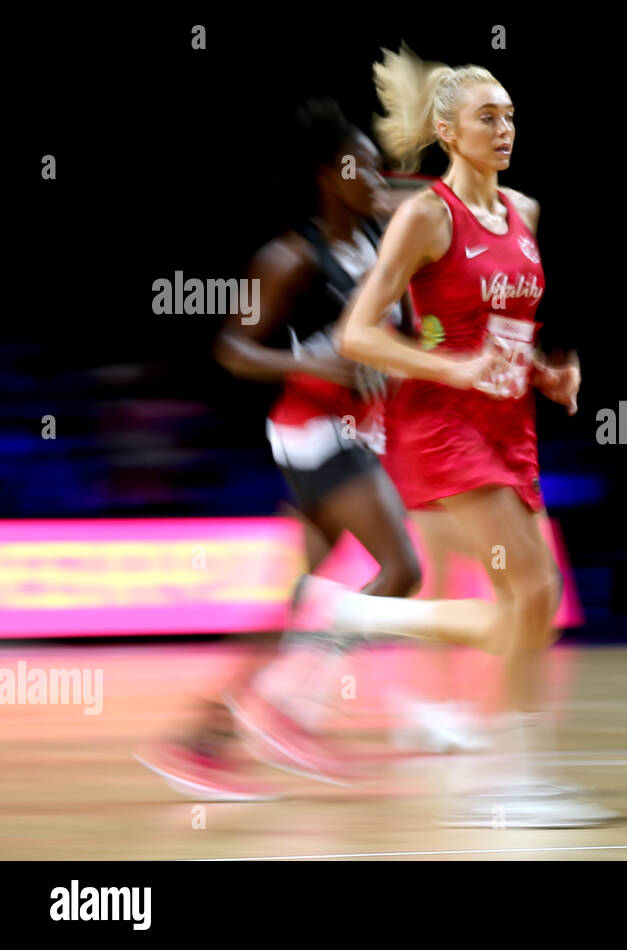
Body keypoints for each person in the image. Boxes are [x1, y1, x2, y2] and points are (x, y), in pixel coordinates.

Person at [327, 44, 610, 827]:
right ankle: (517, 782)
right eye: (489, 116)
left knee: (532, 607)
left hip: (507, 422)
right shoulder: (424, 216)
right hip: (440, 424)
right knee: (535, 589)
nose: (506, 127)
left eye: (512, 115)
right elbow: (356, 334)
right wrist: (449, 368)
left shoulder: (525, 212)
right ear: (450, 131)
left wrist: (550, 372)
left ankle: (367, 616)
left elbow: (508, 330)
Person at [135, 99, 425, 799]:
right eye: (361, 165)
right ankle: (295, 712)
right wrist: (317, 366)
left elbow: (429, 205)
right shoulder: (292, 255)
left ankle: (203, 743)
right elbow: (231, 349)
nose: (376, 176)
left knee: (303, 598)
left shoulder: (376, 240)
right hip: (312, 430)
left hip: (353, 432)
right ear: (328, 176)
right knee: (401, 569)